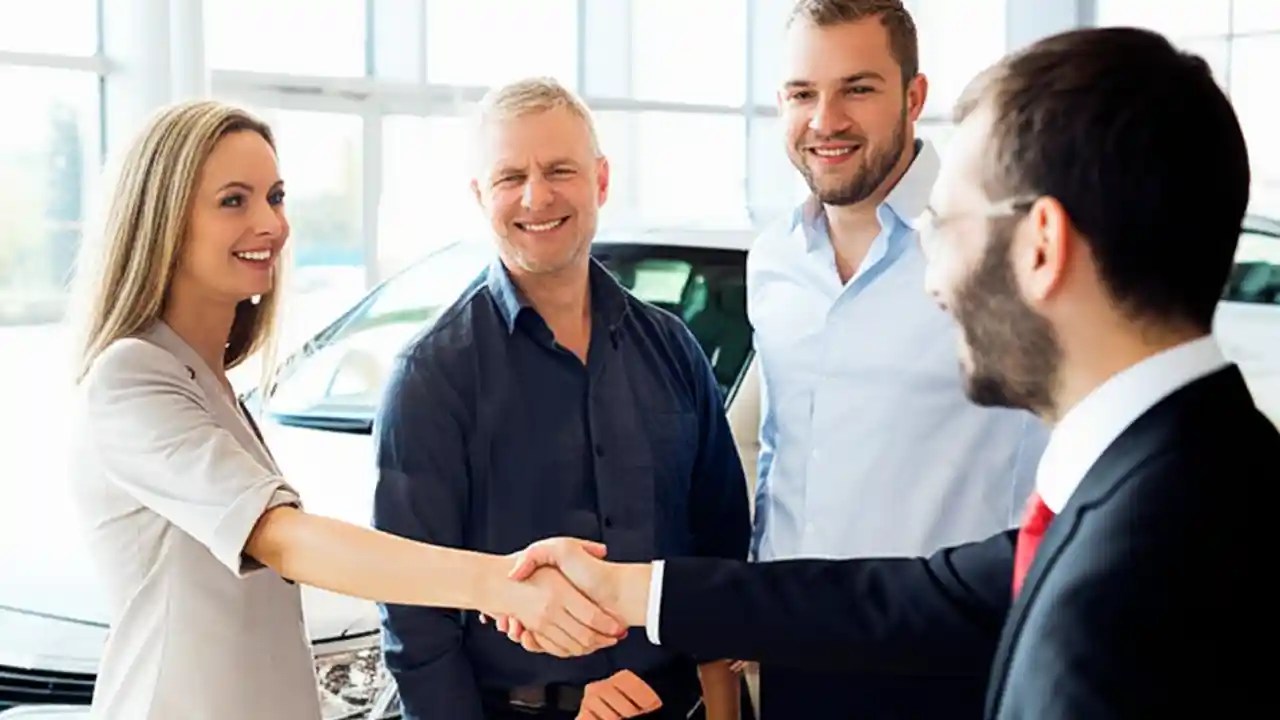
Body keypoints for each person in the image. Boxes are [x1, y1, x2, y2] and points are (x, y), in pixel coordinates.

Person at [496, 26, 1272, 718]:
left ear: (1041, 246)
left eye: (949, 222)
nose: (933, 275)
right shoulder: (1168, 482)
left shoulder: (1129, 587)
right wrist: (631, 591)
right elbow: (924, 594)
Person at [66, 99, 623, 720]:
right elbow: (283, 540)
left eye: (275, 197)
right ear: (163, 220)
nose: (270, 224)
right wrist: (503, 586)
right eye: (233, 200)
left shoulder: (210, 384)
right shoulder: (131, 377)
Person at [371, 78, 750, 720]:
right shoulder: (432, 376)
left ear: (600, 181)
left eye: (559, 170)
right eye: (510, 176)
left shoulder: (672, 351)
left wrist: (723, 710)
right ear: (479, 195)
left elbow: (718, 553)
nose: (536, 196)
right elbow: (414, 616)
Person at [745, 1, 1046, 715]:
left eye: (858, 88)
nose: (825, 120)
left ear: (913, 97)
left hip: (947, 660)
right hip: (795, 652)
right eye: (801, 93)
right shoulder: (772, 259)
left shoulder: (991, 240)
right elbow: (784, 452)